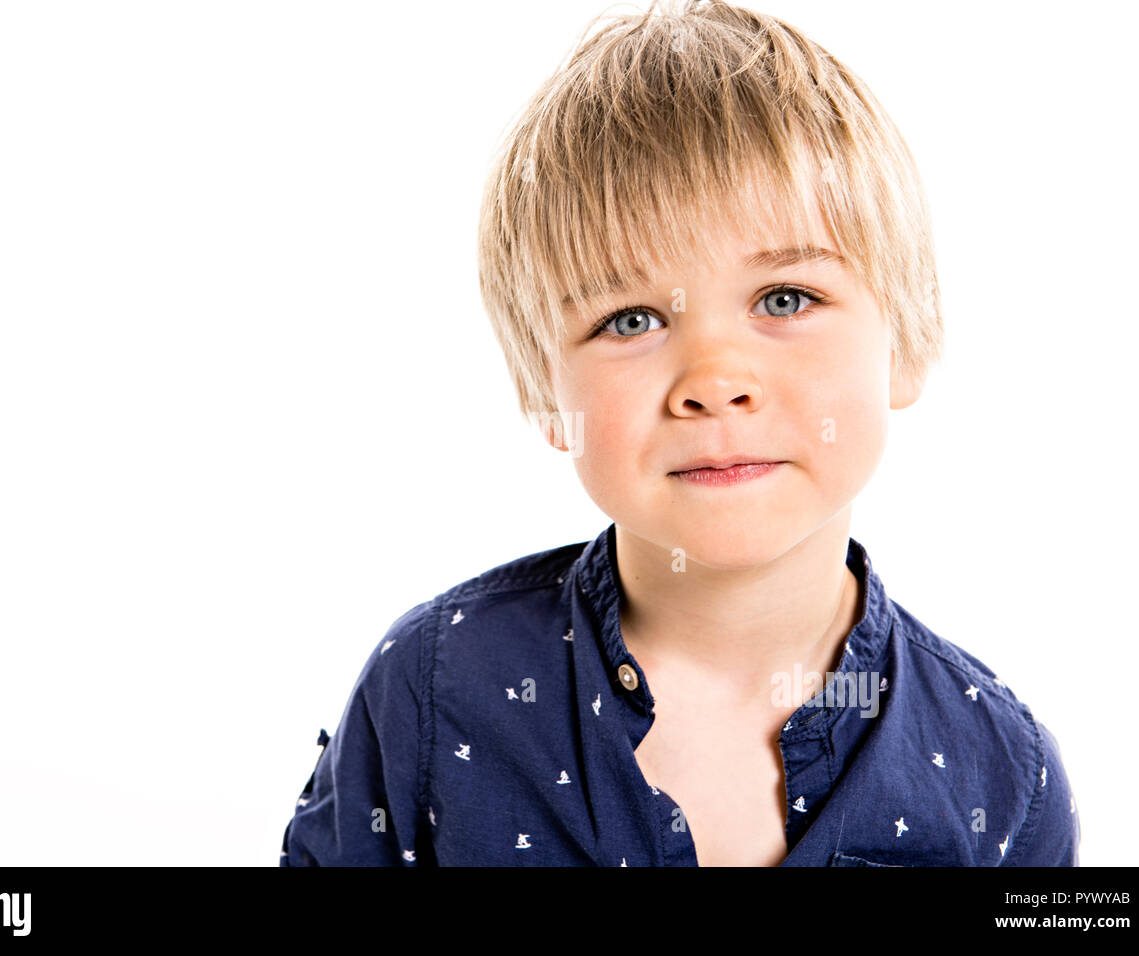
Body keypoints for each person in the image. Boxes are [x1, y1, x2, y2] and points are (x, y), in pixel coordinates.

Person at [280, 0, 1079, 866]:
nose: (713, 381)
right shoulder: (433, 692)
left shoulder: (1003, 776)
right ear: (545, 391)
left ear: (908, 341)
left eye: (785, 299)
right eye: (629, 320)